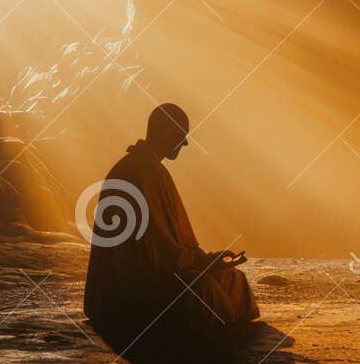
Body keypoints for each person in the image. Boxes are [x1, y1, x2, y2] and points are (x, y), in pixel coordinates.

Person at [83, 103, 259, 337]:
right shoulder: (134, 173)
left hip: (166, 269)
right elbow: (156, 252)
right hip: (132, 290)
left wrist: (206, 260)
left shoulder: (155, 171)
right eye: (181, 135)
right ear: (163, 132)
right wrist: (199, 263)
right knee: (203, 290)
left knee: (232, 279)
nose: (185, 143)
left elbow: (175, 240)